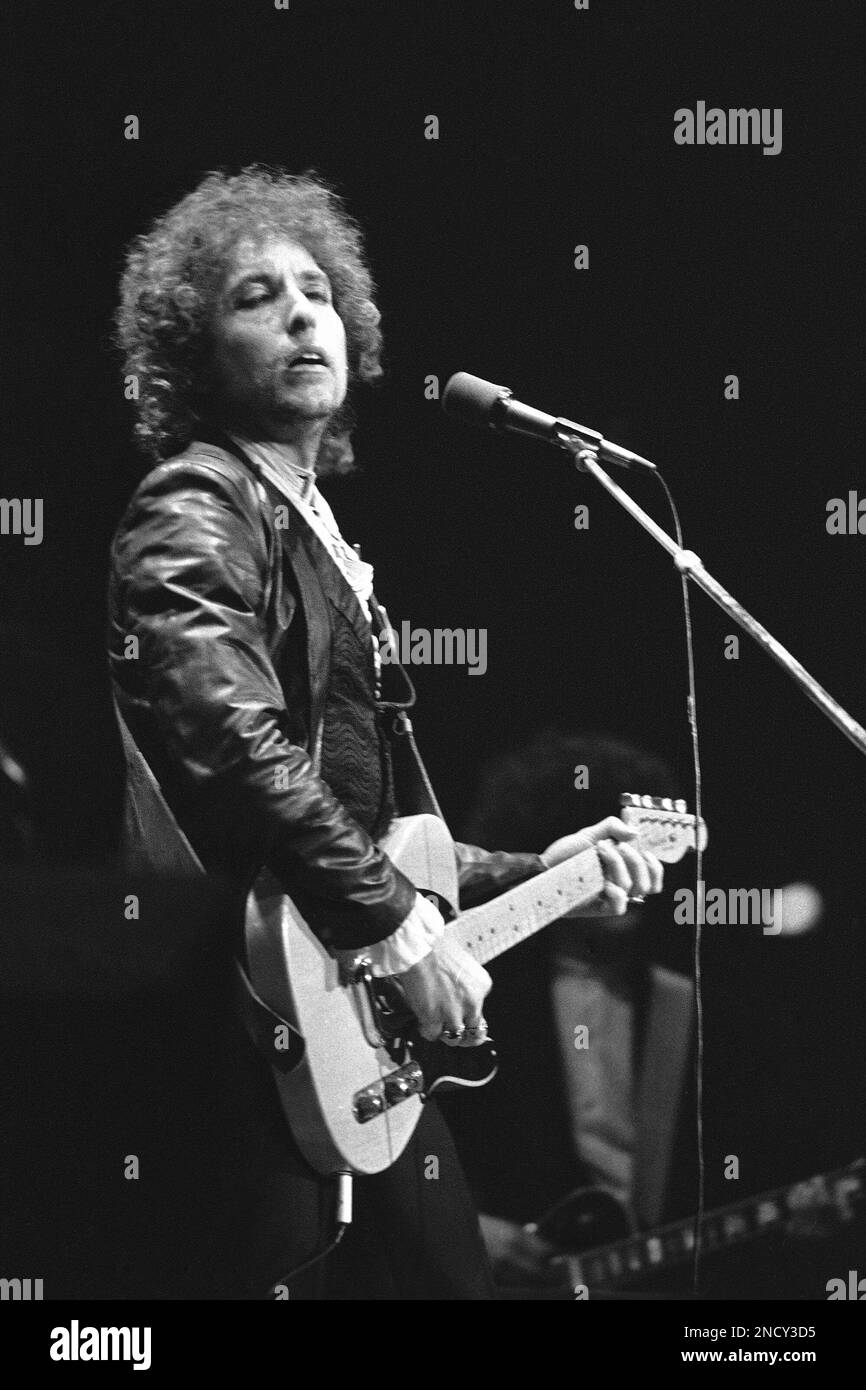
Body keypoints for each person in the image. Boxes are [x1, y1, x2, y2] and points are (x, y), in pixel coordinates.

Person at [107, 166, 664, 1299]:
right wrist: (397, 934)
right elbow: (231, 737)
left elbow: (376, 835)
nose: (301, 312)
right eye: (254, 297)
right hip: (252, 1027)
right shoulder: (198, 504)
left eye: (316, 290)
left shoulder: (321, 544)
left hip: (358, 1035)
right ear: (193, 351)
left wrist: (532, 872)